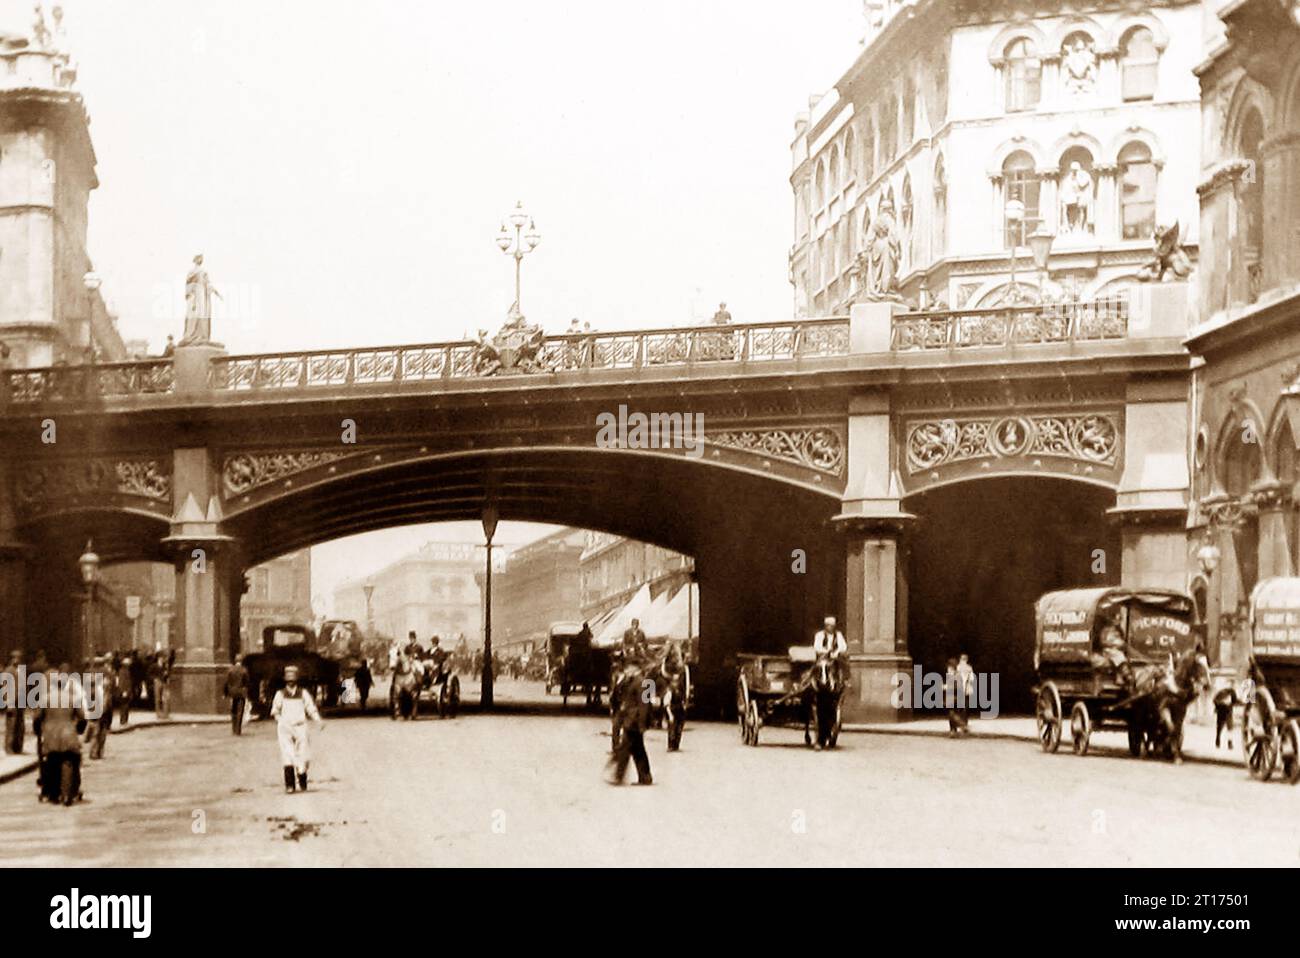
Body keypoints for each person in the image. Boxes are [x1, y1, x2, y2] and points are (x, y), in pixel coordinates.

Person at [34, 665, 87, 806]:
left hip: (51, 736)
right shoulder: (73, 699)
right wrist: (79, 730)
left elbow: (37, 718)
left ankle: (52, 792)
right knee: (72, 760)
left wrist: (38, 731)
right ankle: (70, 791)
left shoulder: (45, 699)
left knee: (51, 762)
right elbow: (82, 717)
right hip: (69, 734)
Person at [271, 665, 322, 793]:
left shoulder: (303, 693)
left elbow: (310, 708)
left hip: (300, 726)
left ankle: (302, 779)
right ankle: (290, 785)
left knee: (303, 753)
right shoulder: (280, 694)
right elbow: (275, 711)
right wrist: (281, 721)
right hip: (285, 727)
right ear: (285, 680)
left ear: (297, 680)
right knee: (287, 753)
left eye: (293, 680)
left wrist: (318, 720)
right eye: (288, 680)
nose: (291, 683)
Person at [607, 662, 652, 785]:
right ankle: (645, 777)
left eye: (628, 668)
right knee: (638, 750)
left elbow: (644, 705)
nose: (626, 671)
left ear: (635, 668)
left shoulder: (644, 683)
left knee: (624, 749)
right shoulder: (631, 681)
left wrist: (642, 724)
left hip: (634, 721)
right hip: (630, 720)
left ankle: (618, 776)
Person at [84, 656, 114, 760]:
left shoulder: (88, 673)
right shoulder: (107, 673)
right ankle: (98, 752)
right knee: (101, 732)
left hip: (95, 708)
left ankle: (93, 752)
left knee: (96, 731)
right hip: (103, 708)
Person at [812, 615, 850, 688]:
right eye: (828, 626)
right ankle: (820, 680)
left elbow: (843, 646)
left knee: (843, 662)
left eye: (832, 626)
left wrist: (836, 652)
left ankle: (844, 680)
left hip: (835, 657)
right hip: (823, 656)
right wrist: (826, 651)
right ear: (825, 626)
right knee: (819, 666)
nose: (830, 628)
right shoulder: (819, 635)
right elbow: (817, 647)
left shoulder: (838, 635)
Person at [3, 651, 25, 754]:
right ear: (11, 659)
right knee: (11, 725)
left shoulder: (21, 670)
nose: (17, 660)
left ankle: (18, 747)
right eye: (15, 658)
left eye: (19, 658)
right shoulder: (8, 670)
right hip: (12, 700)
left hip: (20, 701)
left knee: (20, 725)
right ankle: (9, 747)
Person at [224, 655, 250, 735]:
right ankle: (238, 730)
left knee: (233, 710)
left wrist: (225, 693)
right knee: (240, 711)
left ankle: (233, 728)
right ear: (241, 661)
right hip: (241, 693)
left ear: (235, 661)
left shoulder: (230, 670)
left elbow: (227, 682)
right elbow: (247, 682)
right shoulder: (244, 670)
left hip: (232, 692)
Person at [1213, 685, 1239, 750]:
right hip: (1222, 711)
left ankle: (1229, 743)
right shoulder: (1222, 692)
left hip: (1228, 712)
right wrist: (1219, 705)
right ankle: (1218, 741)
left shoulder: (1232, 692)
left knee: (1229, 729)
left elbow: (1235, 701)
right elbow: (1215, 700)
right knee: (1220, 729)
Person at [956, 653, 976, 733]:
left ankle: (962, 723)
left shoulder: (958, 667)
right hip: (965, 689)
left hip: (961, 690)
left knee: (961, 708)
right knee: (965, 708)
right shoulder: (968, 668)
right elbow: (971, 679)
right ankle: (963, 723)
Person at [113, 654, 134, 727]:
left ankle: (125, 720)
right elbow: (122, 682)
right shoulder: (122, 671)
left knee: (126, 706)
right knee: (124, 706)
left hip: (127, 690)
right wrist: (123, 691)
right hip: (124, 691)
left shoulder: (126, 671)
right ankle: (123, 721)